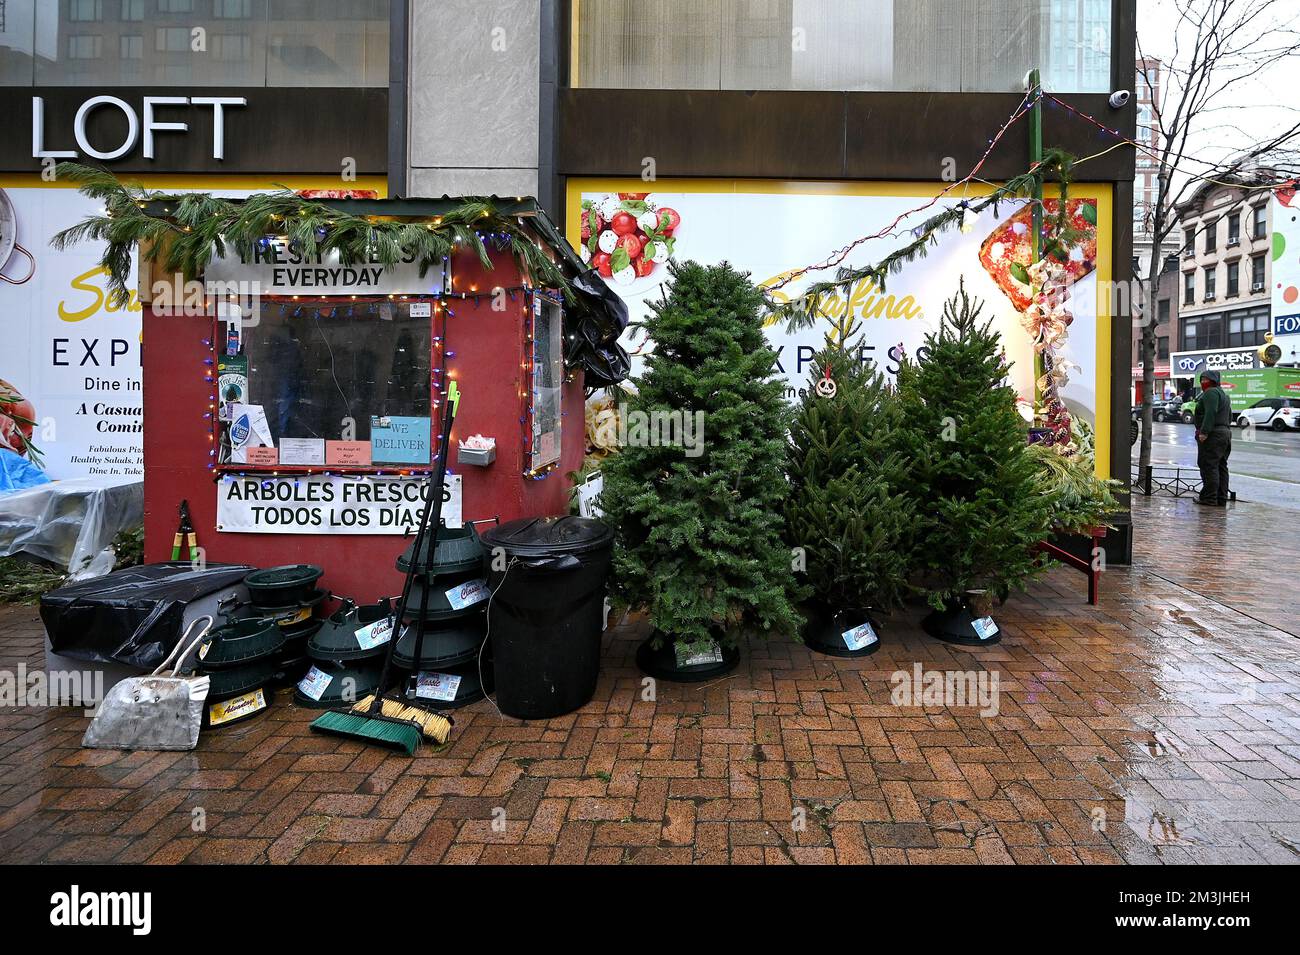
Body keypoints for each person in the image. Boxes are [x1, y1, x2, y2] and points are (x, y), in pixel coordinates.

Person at [1193, 369, 1232, 506]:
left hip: (1213, 435)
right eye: (1202, 379)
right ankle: (1221, 498)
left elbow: (1210, 413)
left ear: (1214, 381)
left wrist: (1204, 432)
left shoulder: (1211, 393)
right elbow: (1229, 417)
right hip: (1224, 433)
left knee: (1209, 465)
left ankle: (1209, 498)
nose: (1203, 382)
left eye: (1206, 379)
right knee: (1221, 466)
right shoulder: (1224, 395)